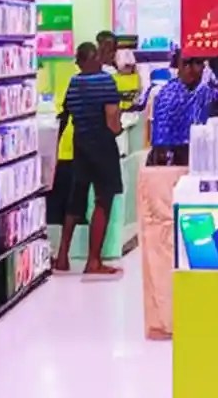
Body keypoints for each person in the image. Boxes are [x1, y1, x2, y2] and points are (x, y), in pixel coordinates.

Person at [54, 41, 125, 278]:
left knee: (76, 201)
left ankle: (62, 257)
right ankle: (93, 260)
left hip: (80, 146)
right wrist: (118, 130)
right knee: (103, 201)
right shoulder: (105, 81)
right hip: (102, 146)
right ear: (93, 59)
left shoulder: (74, 83)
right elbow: (112, 119)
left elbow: (65, 116)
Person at [149, 55, 218, 166]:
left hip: (205, 155)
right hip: (173, 157)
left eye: (197, 63)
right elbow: (161, 140)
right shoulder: (167, 95)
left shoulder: (209, 92)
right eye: (186, 64)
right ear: (178, 67)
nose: (190, 69)